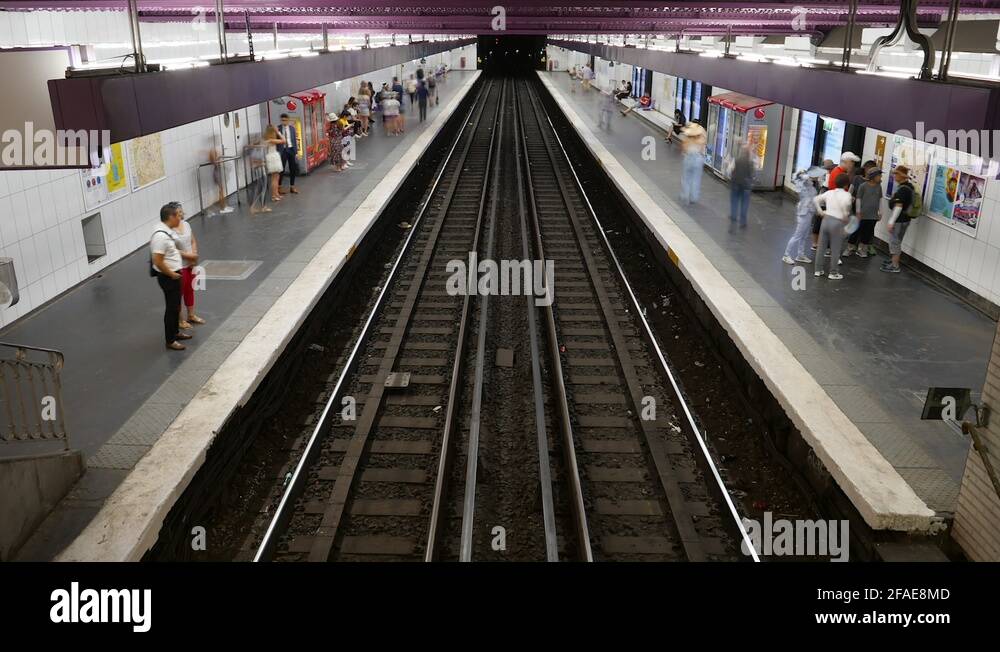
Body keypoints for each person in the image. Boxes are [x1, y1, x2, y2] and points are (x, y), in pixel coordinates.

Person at [150, 204, 192, 351]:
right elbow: (157, 260)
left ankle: (175, 332)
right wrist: (172, 274)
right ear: (171, 217)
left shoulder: (167, 230)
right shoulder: (161, 236)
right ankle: (170, 340)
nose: (180, 218)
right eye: (177, 215)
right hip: (169, 277)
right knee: (171, 308)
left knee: (176, 307)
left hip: (174, 274)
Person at [170, 202, 205, 329]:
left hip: (191, 264)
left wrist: (194, 254)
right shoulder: (170, 230)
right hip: (179, 265)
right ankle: (180, 320)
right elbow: (172, 250)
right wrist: (188, 256)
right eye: (179, 212)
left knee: (190, 290)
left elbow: (193, 240)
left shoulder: (186, 224)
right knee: (179, 293)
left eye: (181, 211)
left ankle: (191, 315)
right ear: (173, 215)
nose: (182, 214)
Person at [813, 173, 853, 280]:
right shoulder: (847, 195)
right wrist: (845, 215)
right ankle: (833, 272)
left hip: (826, 220)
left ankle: (818, 270)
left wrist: (820, 211)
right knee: (835, 248)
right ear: (846, 185)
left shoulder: (829, 192)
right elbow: (846, 206)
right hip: (837, 222)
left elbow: (816, 199)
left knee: (821, 247)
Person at [782, 166, 824, 264]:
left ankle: (800, 255)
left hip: (809, 213)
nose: (818, 177)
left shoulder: (812, 186)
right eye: (816, 175)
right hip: (803, 213)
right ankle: (786, 255)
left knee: (804, 236)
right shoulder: (803, 183)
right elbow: (797, 178)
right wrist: (808, 175)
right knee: (797, 235)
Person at [882, 165, 915, 274]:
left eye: (896, 174)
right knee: (897, 241)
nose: (894, 176)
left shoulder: (903, 190)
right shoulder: (909, 187)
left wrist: (891, 222)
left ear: (902, 176)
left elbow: (899, 206)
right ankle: (893, 261)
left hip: (899, 220)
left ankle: (895, 265)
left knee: (894, 242)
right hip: (905, 219)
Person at [844, 160, 876, 256]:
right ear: (865, 169)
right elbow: (851, 190)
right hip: (857, 208)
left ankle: (861, 249)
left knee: (866, 230)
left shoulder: (875, 182)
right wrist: (850, 198)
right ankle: (850, 247)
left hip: (869, 210)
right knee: (855, 228)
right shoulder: (857, 178)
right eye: (869, 169)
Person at [852, 167, 883, 258]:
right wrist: (858, 211)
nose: (881, 177)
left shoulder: (879, 187)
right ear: (873, 176)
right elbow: (858, 199)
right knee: (857, 231)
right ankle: (850, 247)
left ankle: (862, 249)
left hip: (873, 215)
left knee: (867, 233)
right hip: (862, 214)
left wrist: (880, 212)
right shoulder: (863, 186)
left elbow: (880, 199)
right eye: (879, 175)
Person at [679, 120, 707, 204]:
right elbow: (702, 148)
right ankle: (694, 197)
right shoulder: (702, 136)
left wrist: (684, 152)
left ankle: (685, 195)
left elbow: (683, 147)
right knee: (696, 178)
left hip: (689, 157)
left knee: (686, 178)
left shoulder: (687, 137)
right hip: (698, 158)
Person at [727, 142, 755, 227]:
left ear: (741, 152)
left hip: (735, 183)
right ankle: (743, 221)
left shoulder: (736, 160)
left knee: (734, 200)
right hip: (746, 185)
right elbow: (752, 175)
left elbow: (729, 171)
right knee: (745, 203)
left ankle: (734, 216)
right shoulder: (751, 162)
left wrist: (731, 175)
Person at [247, 135, 270, 214]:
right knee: (261, 189)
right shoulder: (256, 150)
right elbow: (254, 161)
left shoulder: (257, 149)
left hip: (260, 170)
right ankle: (258, 207)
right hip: (260, 170)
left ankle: (260, 206)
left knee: (261, 189)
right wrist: (262, 163)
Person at [277, 113, 299, 195]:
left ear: (288, 120)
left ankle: (292, 187)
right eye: (282, 120)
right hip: (282, 151)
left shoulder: (292, 128)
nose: (284, 122)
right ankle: (279, 187)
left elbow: (294, 140)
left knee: (292, 169)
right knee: (281, 169)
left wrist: (296, 152)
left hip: (291, 150)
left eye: (285, 120)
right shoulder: (278, 129)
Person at [263, 124, 285, 202]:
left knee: (276, 176)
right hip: (273, 157)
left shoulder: (267, 139)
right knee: (275, 178)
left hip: (272, 156)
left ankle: (276, 194)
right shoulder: (271, 140)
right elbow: (283, 140)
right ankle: (274, 195)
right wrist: (278, 132)